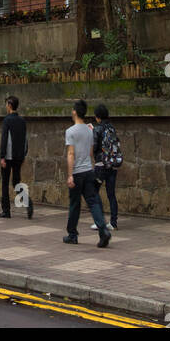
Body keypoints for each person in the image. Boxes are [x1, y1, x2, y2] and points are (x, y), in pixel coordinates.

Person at [63, 100, 110, 248]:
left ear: (75, 112)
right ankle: (103, 231)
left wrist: (70, 175)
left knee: (75, 204)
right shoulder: (90, 130)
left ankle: (72, 235)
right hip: (88, 171)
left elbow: (71, 154)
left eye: (72, 110)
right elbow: (90, 153)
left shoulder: (70, 132)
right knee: (93, 201)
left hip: (77, 172)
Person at [0, 95, 33, 219]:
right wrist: (23, 155)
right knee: (16, 182)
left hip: (8, 157)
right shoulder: (22, 121)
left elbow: (4, 139)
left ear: (9, 105)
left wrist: (2, 156)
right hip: (19, 157)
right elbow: (25, 140)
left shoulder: (7, 120)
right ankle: (27, 202)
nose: (6, 106)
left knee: (5, 183)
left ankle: (6, 211)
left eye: (6, 104)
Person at [91, 103, 122, 233]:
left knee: (93, 193)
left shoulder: (97, 129)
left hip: (101, 166)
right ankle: (113, 222)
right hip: (112, 165)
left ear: (97, 117)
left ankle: (99, 222)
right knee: (111, 194)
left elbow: (94, 146)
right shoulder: (112, 128)